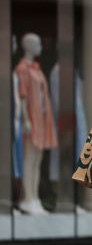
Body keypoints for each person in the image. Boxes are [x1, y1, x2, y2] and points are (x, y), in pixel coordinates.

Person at [15, 33, 58, 215]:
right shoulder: (22, 69)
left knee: (37, 160)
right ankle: (27, 198)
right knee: (29, 159)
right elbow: (22, 96)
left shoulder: (37, 69)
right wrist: (25, 119)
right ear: (27, 46)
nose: (41, 46)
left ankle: (34, 198)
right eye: (37, 43)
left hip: (42, 120)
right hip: (31, 120)